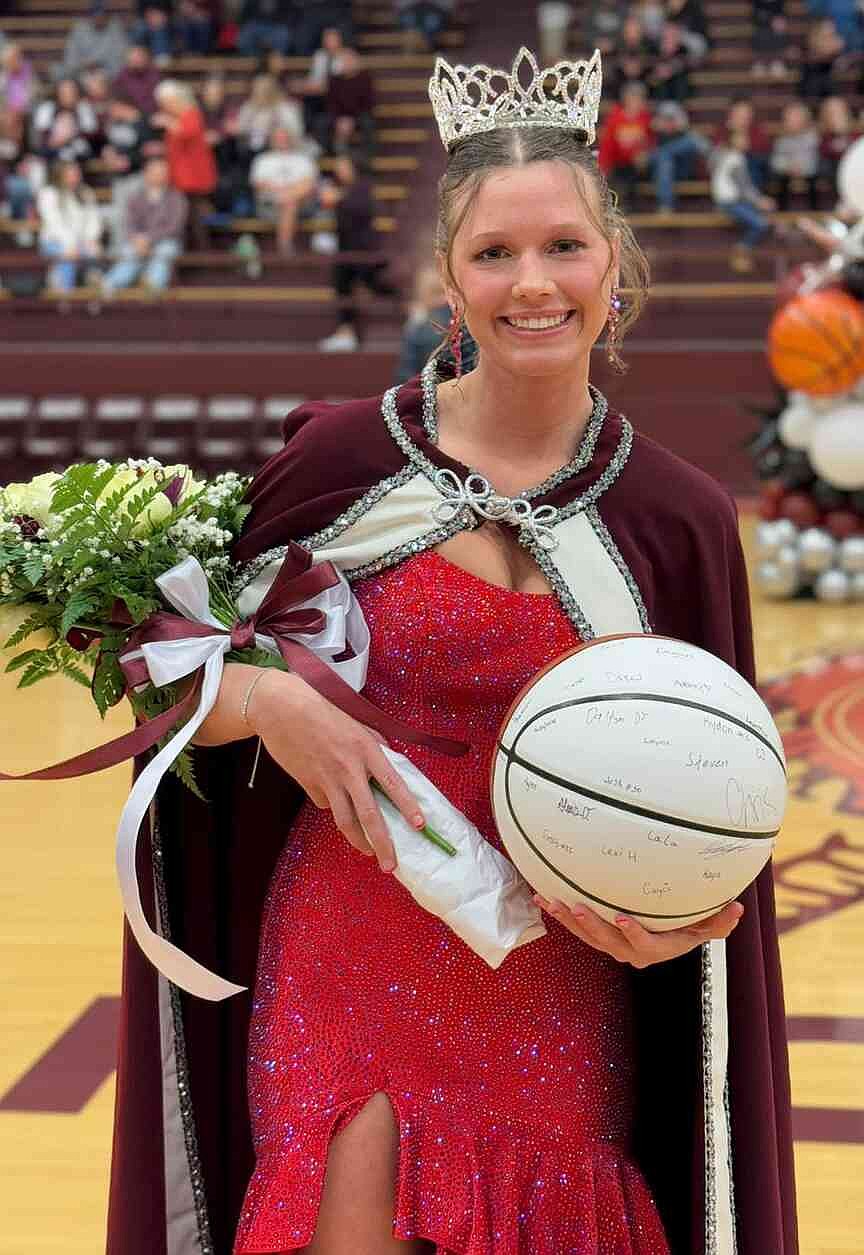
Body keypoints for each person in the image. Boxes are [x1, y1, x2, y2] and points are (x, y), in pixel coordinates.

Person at [106, 44, 798, 1255]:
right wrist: (271, 705)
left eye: (564, 247)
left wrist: (697, 915)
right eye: (495, 253)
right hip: (350, 948)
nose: (534, 283)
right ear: (448, 278)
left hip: (562, 978)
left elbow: (723, 819)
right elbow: (162, 684)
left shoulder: (677, 518)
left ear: (616, 267)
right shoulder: (335, 466)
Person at [316, 154, 399, 351]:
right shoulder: (338, 188)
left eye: (343, 165)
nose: (340, 169)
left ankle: (407, 307)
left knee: (375, 285)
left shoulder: (361, 187)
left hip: (363, 249)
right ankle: (346, 333)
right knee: (343, 287)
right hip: (346, 250)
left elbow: (361, 210)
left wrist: (339, 199)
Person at [101, 155, 186, 295]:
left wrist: (148, 239)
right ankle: (109, 286)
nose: (159, 175)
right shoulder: (135, 198)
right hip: (138, 241)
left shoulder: (177, 198)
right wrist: (138, 240)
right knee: (129, 254)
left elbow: (174, 227)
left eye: (163, 172)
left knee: (163, 253)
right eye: (155, 171)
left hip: (167, 241)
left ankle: (152, 290)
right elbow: (130, 224)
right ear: (146, 173)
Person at [152, 77, 216, 248]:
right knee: (185, 217)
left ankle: (202, 253)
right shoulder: (176, 117)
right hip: (180, 175)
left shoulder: (191, 113)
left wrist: (168, 123)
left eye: (166, 102)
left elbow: (186, 133)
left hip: (193, 176)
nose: (164, 107)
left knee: (193, 216)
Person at [710, 131, 776, 270]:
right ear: (733, 141)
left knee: (766, 218)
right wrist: (759, 201)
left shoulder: (724, 155)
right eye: (742, 138)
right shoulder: (736, 158)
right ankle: (741, 250)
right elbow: (743, 187)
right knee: (760, 224)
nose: (746, 141)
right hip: (730, 202)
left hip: (729, 200)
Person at [37, 158, 103, 293]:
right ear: (60, 175)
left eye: (77, 174)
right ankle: (65, 297)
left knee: (94, 253)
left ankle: (94, 300)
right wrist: (69, 245)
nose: (75, 178)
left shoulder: (86, 192)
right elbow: (54, 223)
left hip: (82, 243)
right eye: (71, 175)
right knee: (68, 258)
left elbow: (94, 219)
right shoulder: (48, 194)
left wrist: (91, 238)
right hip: (54, 242)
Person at [249, 124, 317, 252]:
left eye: (284, 138)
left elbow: (309, 184)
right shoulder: (262, 160)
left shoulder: (303, 159)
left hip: (302, 204)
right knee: (289, 203)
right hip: (269, 205)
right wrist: (282, 192)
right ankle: (285, 248)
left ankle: (284, 249)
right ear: (272, 140)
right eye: (278, 138)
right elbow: (258, 184)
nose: (282, 141)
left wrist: (288, 194)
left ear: (290, 139)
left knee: (291, 202)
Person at [597, 80, 655, 212]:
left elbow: (651, 142)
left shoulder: (646, 118)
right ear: (626, 99)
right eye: (635, 98)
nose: (638, 101)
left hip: (640, 164)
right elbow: (608, 144)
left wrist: (645, 151)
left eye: (640, 98)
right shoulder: (615, 117)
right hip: (619, 162)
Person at [649, 99, 710, 213]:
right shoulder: (653, 137)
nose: (668, 123)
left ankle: (665, 204)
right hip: (660, 176)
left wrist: (682, 129)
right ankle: (666, 204)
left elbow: (706, 147)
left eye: (671, 119)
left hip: (684, 174)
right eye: (664, 119)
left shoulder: (687, 137)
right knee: (664, 159)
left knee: (669, 152)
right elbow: (644, 159)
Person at [32, 77, 99, 164]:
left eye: (72, 92)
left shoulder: (84, 108)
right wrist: (59, 140)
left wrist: (72, 134)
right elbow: (41, 138)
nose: (68, 96)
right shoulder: (46, 109)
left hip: (79, 154)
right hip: (52, 153)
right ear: (58, 93)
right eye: (64, 92)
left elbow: (91, 135)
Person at [57, 0, 128, 80]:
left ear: (108, 15)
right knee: (60, 73)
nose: (99, 18)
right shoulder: (79, 28)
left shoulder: (115, 28)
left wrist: (101, 70)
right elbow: (70, 59)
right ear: (90, 15)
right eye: (95, 14)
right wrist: (84, 67)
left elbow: (121, 60)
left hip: (108, 75)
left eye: (103, 14)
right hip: (81, 75)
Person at [770, 98, 821, 210]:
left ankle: (816, 214)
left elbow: (814, 160)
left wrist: (801, 168)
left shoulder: (812, 138)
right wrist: (788, 167)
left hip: (809, 171)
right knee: (779, 181)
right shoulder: (781, 140)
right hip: (786, 172)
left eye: (795, 117)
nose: (790, 121)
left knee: (816, 180)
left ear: (804, 120)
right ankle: (782, 215)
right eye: (788, 118)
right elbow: (775, 161)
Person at [112, 41, 161, 115]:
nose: (136, 61)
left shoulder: (154, 74)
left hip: (151, 114)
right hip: (130, 114)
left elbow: (155, 102)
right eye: (132, 59)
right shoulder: (122, 76)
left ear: (146, 59)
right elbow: (116, 97)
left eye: (139, 57)